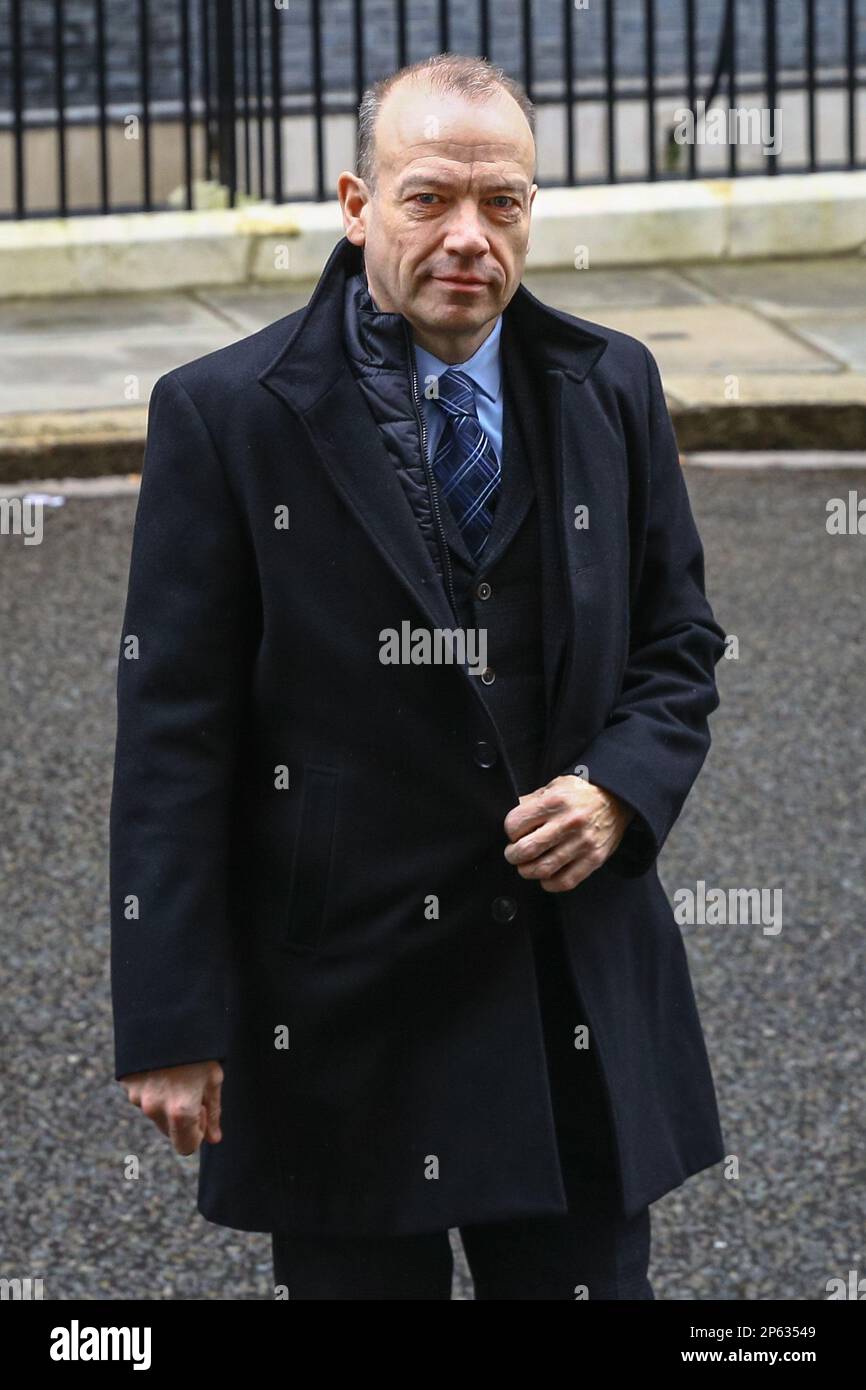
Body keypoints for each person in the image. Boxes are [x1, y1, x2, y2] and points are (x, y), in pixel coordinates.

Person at [110, 52, 727, 1300]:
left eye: (501, 204)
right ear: (354, 202)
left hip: (566, 994)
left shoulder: (610, 385)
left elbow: (677, 642)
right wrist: (174, 1019)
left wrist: (617, 788)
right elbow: (175, 732)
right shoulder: (225, 415)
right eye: (428, 197)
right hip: (345, 1015)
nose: (468, 237)